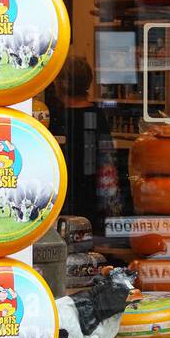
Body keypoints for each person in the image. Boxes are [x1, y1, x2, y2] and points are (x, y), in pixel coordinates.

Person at [46, 54, 119, 233]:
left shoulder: (57, 118)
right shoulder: (97, 115)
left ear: (61, 83)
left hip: (61, 196)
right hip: (92, 197)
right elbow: (107, 163)